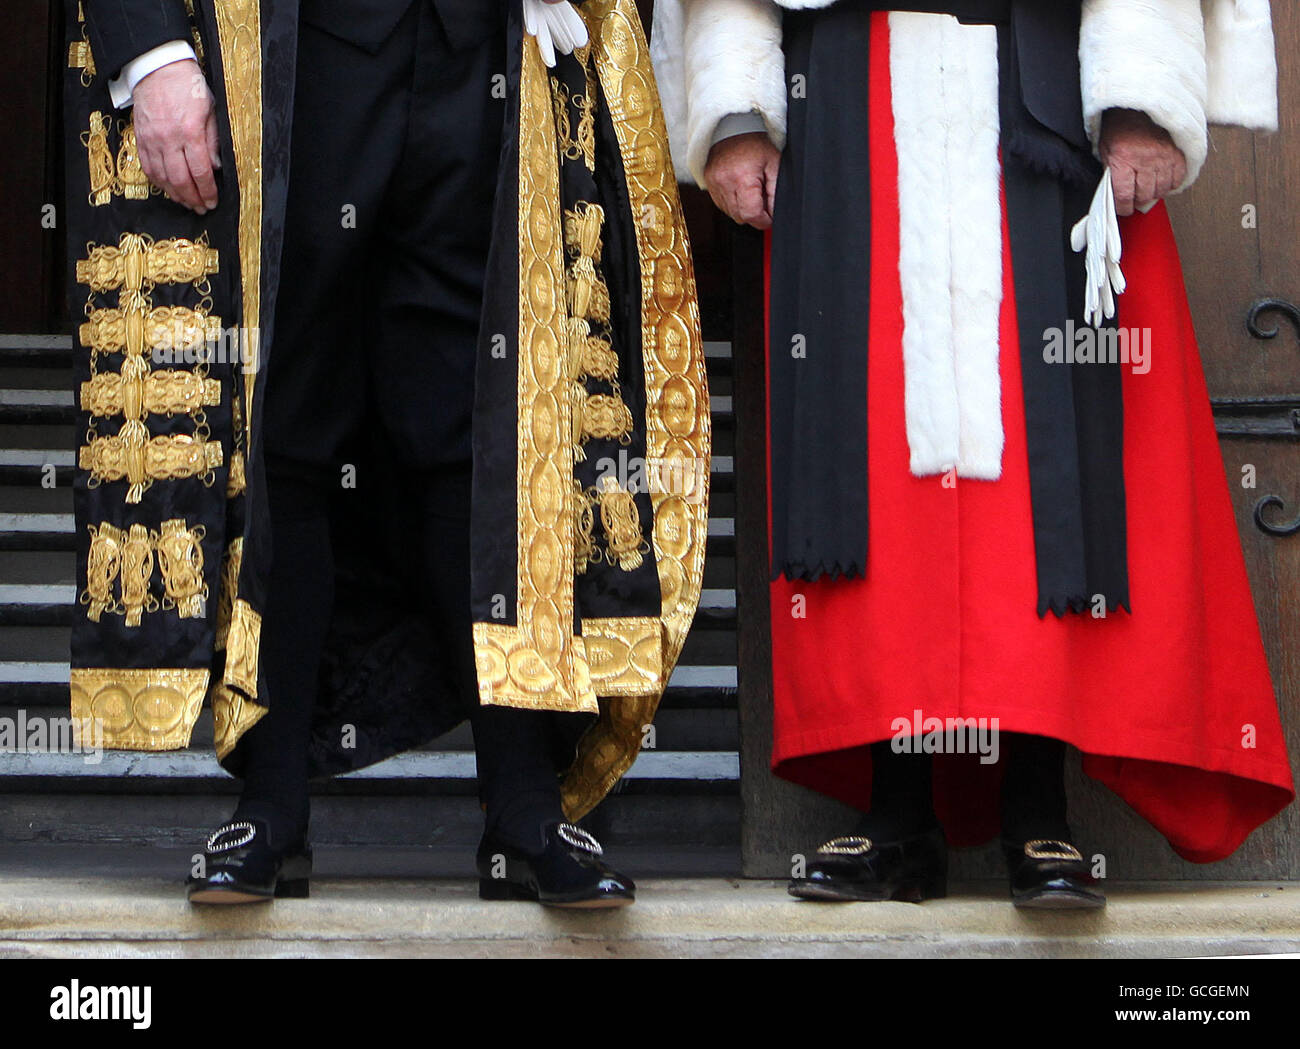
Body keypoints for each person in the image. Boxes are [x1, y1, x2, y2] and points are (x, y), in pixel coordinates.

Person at [66, 0, 709, 907]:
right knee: (286, 419)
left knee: (492, 420)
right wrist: (154, 53)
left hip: (484, 51)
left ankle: (524, 804)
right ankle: (272, 804)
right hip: (294, 52)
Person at [652, 0, 1294, 906]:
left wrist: (1145, 97)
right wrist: (736, 110)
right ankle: (899, 815)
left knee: (1043, 473)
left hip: (1040, 88)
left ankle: (1041, 808)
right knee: (879, 475)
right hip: (849, 89)